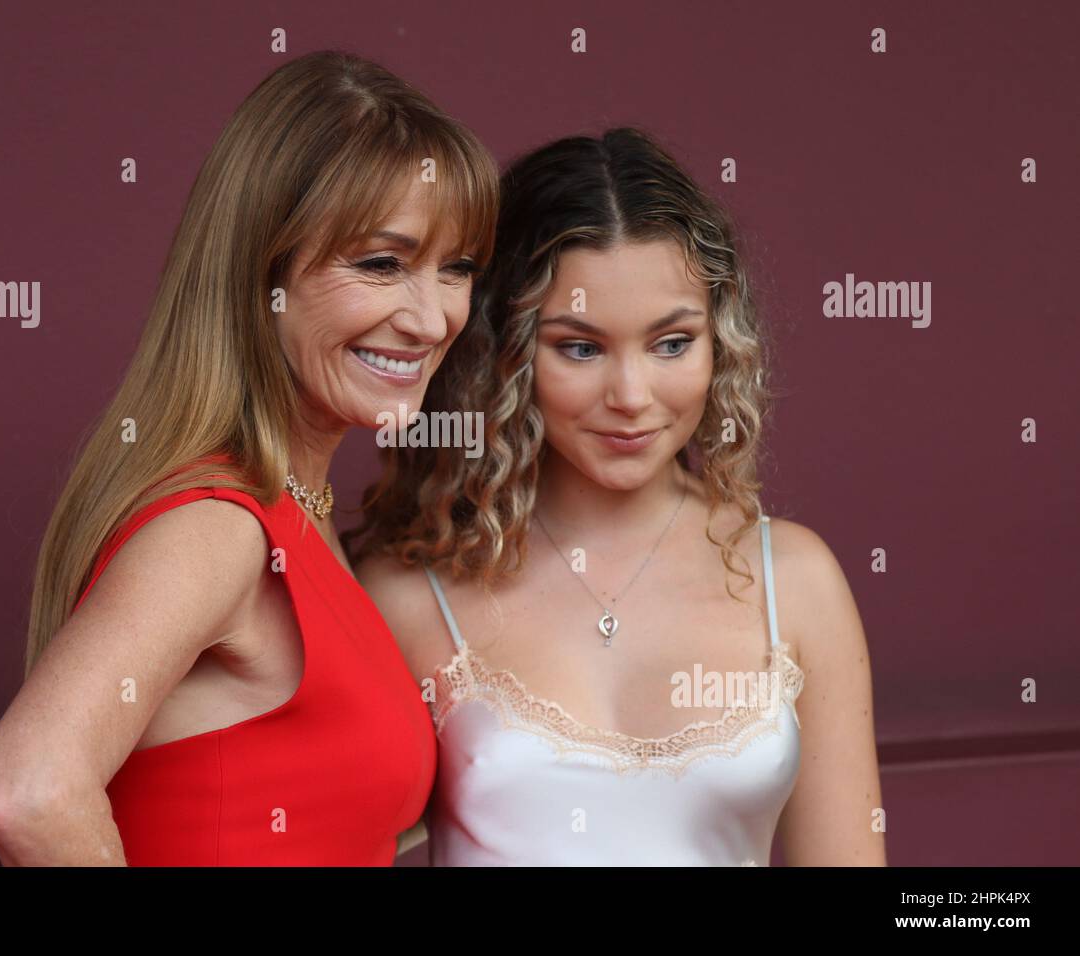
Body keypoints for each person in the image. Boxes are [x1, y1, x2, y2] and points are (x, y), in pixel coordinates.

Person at [0, 50, 498, 866]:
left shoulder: (301, 512)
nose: (431, 321)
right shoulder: (218, 525)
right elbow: (30, 794)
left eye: (455, 269)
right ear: (263, 273)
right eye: (382, 264)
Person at [351, 127, 885, 865]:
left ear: (720, 341)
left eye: (671, 343)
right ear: (500, 351)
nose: (631, 397)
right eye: (580, 346)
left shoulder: (796, 581)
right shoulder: (408, 590)